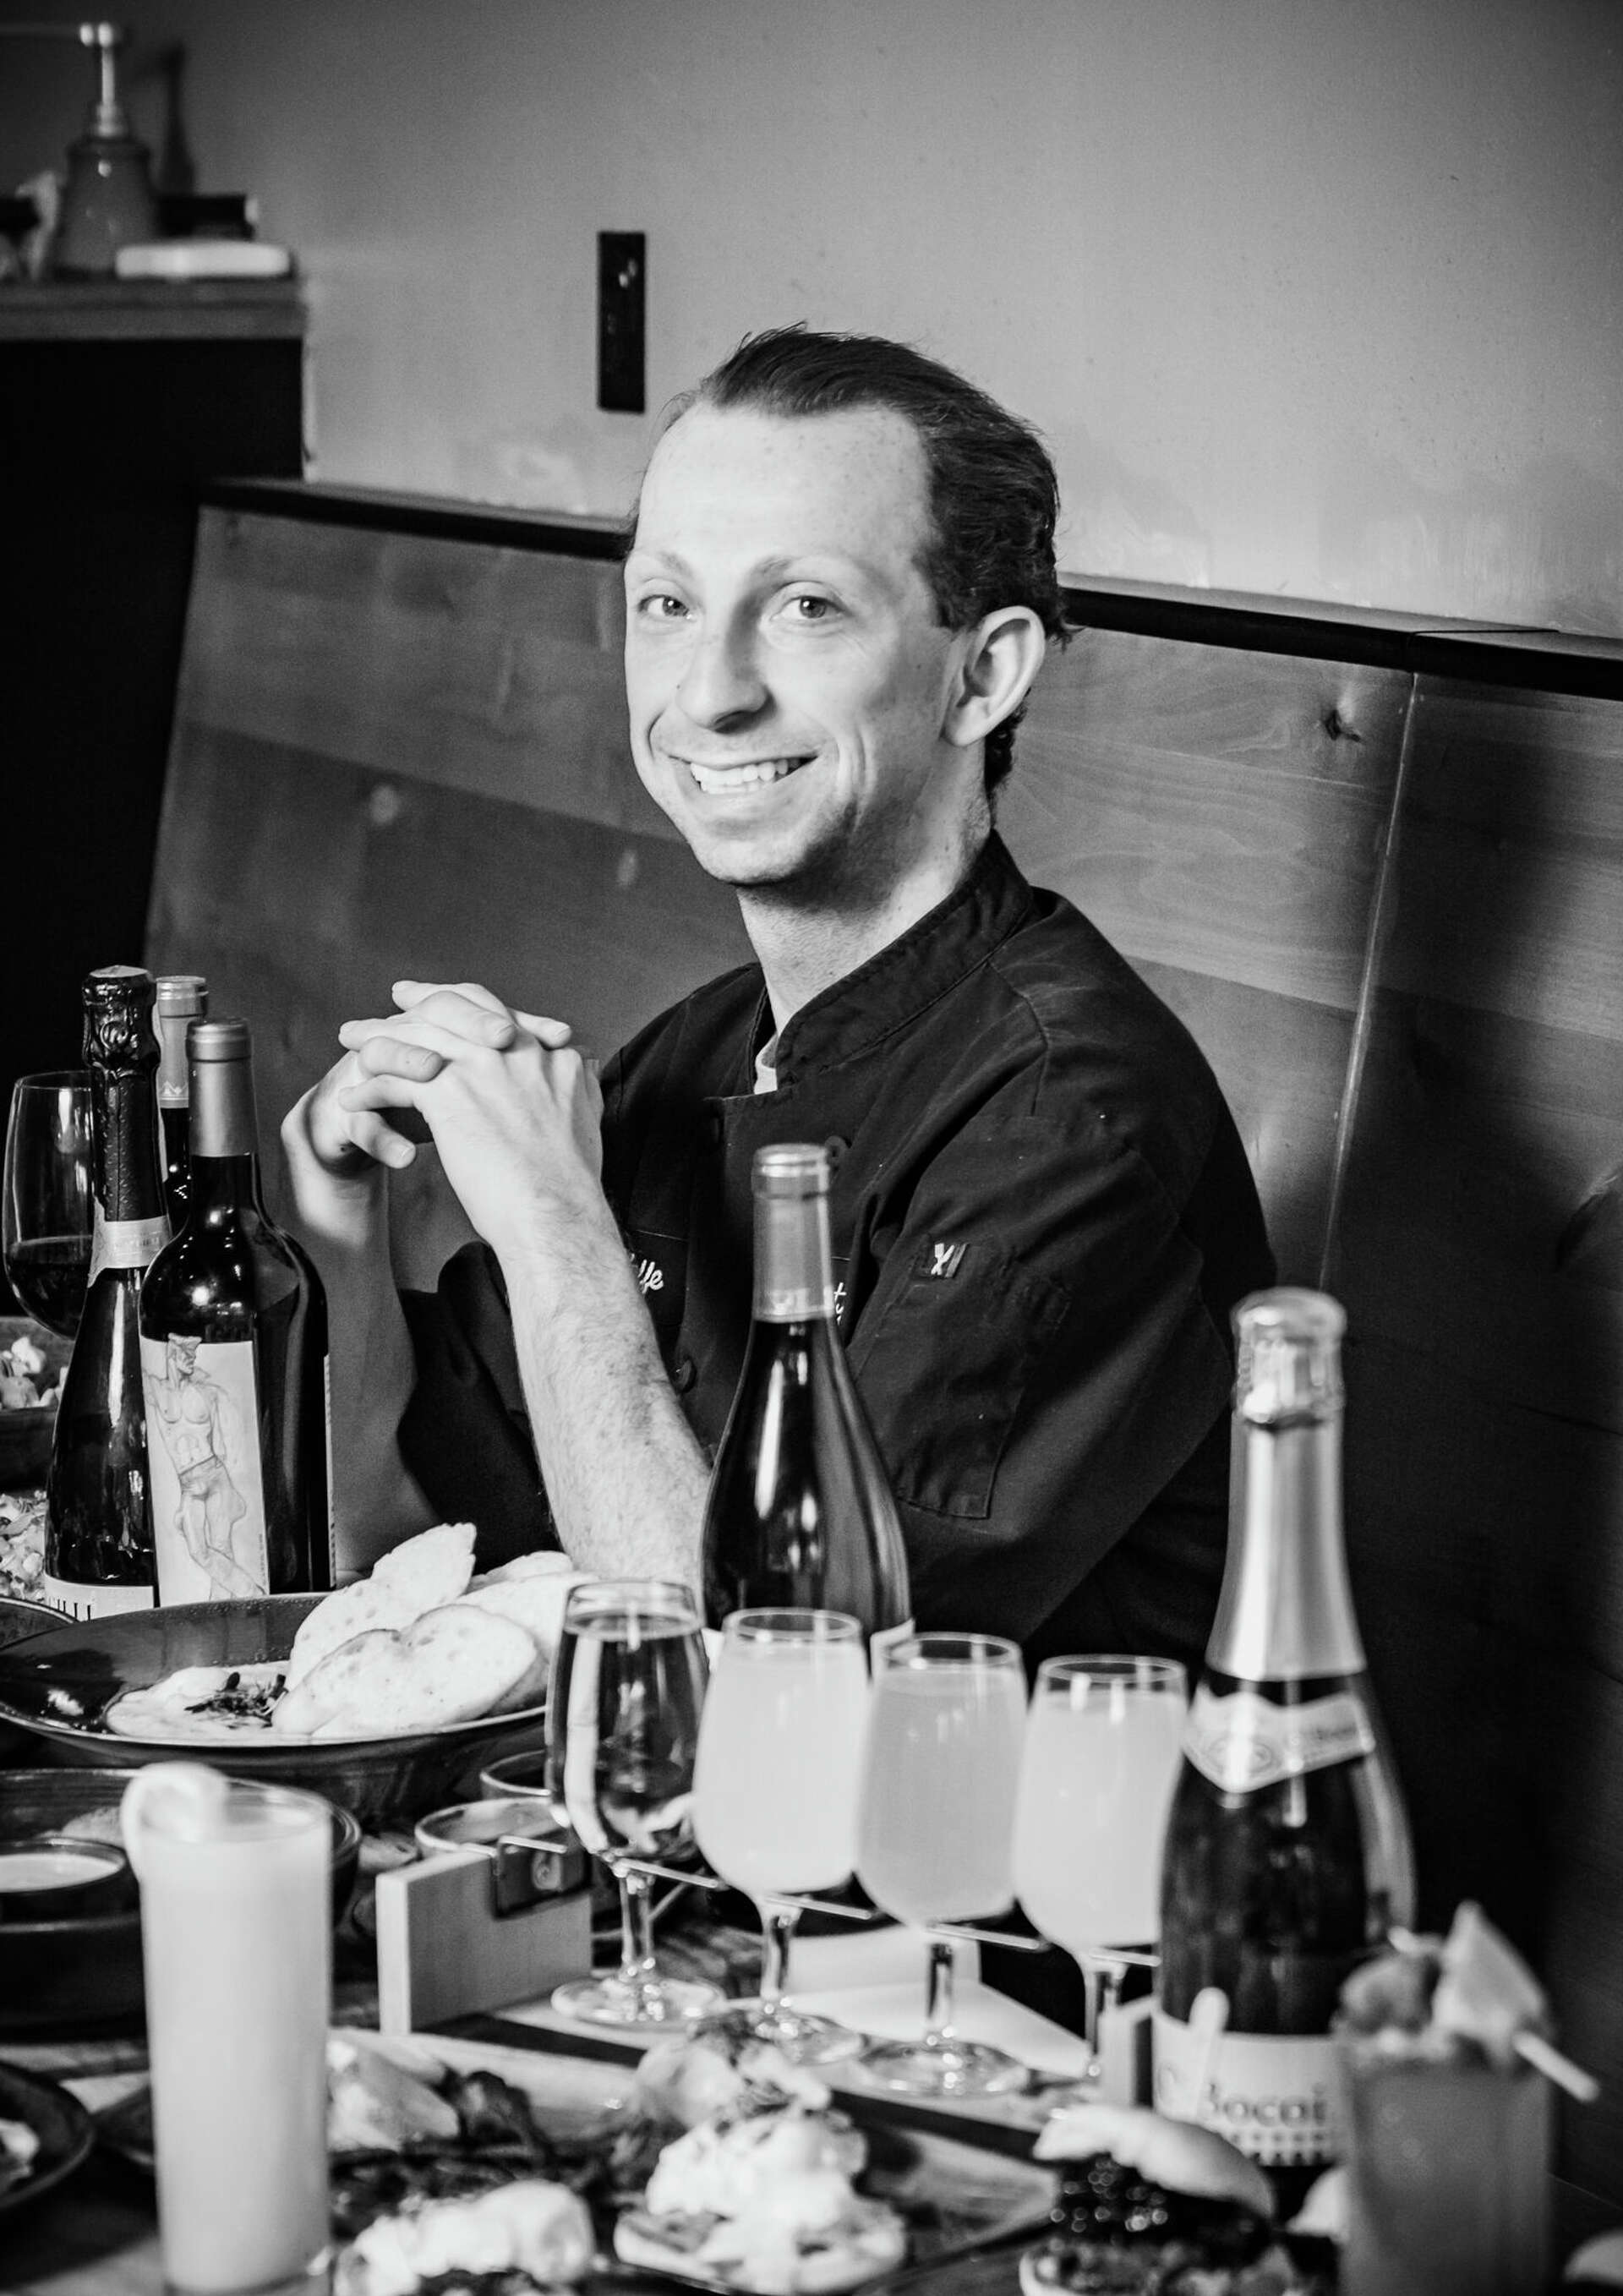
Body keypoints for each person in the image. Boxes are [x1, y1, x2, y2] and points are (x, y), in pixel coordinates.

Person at [281, 327, 1273, 1676]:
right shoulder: (696, 1052)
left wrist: (558, 1230)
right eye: (668, 605)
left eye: (806, 607)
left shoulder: (1071, 1117)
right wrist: (340, 1219)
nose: (709, 692)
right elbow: (395, 1535)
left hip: (969, 1820)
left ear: (984, 675)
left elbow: (765, 1680)